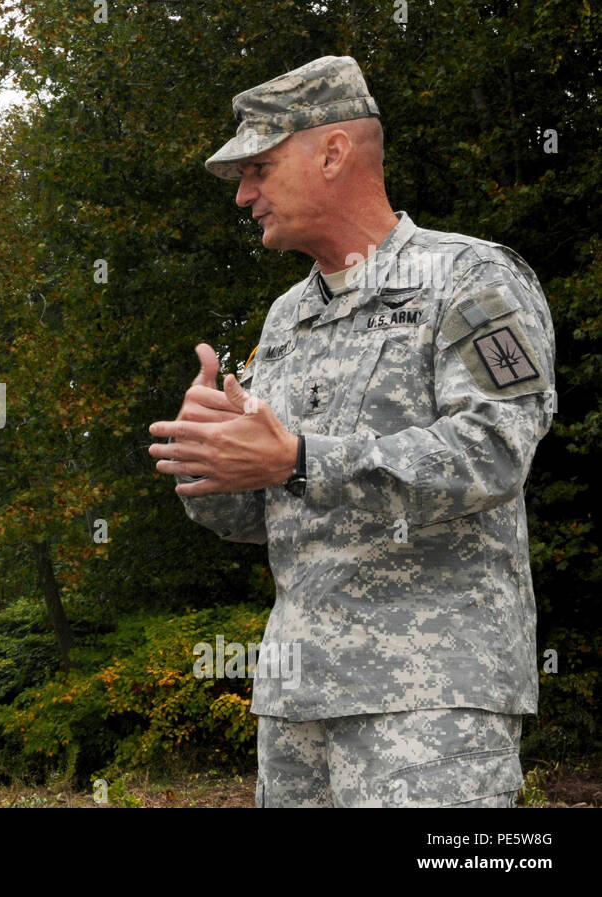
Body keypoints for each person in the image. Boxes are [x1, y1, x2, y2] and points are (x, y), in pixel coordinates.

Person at [148, 57, 555, 807]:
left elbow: (493, 452)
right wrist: (206, 460)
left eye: (260, 168)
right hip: (297, 701)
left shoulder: (470, 280)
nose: (243, 196)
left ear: (332, 153)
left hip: (431, 699)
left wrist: (300, 459)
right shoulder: (285, 318)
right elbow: (260, 509)